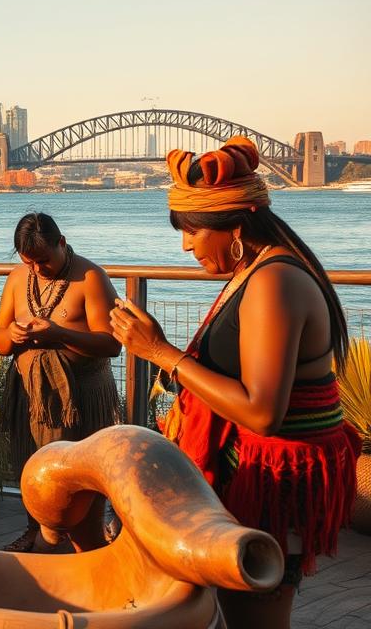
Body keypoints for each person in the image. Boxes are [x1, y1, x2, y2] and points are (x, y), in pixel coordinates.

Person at [110, 136, 358, 629]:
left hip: (271, 482)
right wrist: (166, 356)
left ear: (235, 227)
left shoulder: (273, 281)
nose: (185, 245)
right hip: (253, 477)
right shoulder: (256, 270)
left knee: (255, 620)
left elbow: (262, 412)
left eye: (192, 232)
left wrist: (162, 353)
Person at [0, 212, 121, 552]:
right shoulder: (18, 279)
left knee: (80, 475)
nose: (36, 269)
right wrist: (13, 336)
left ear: (61, 243)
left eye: (43, 261)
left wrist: (59, 334)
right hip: (32, 395)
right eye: (28, 262)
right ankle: (36, 529)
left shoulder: (90, 277)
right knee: (34, 469)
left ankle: (85, 540)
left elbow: (111, 344)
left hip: (82, 398)